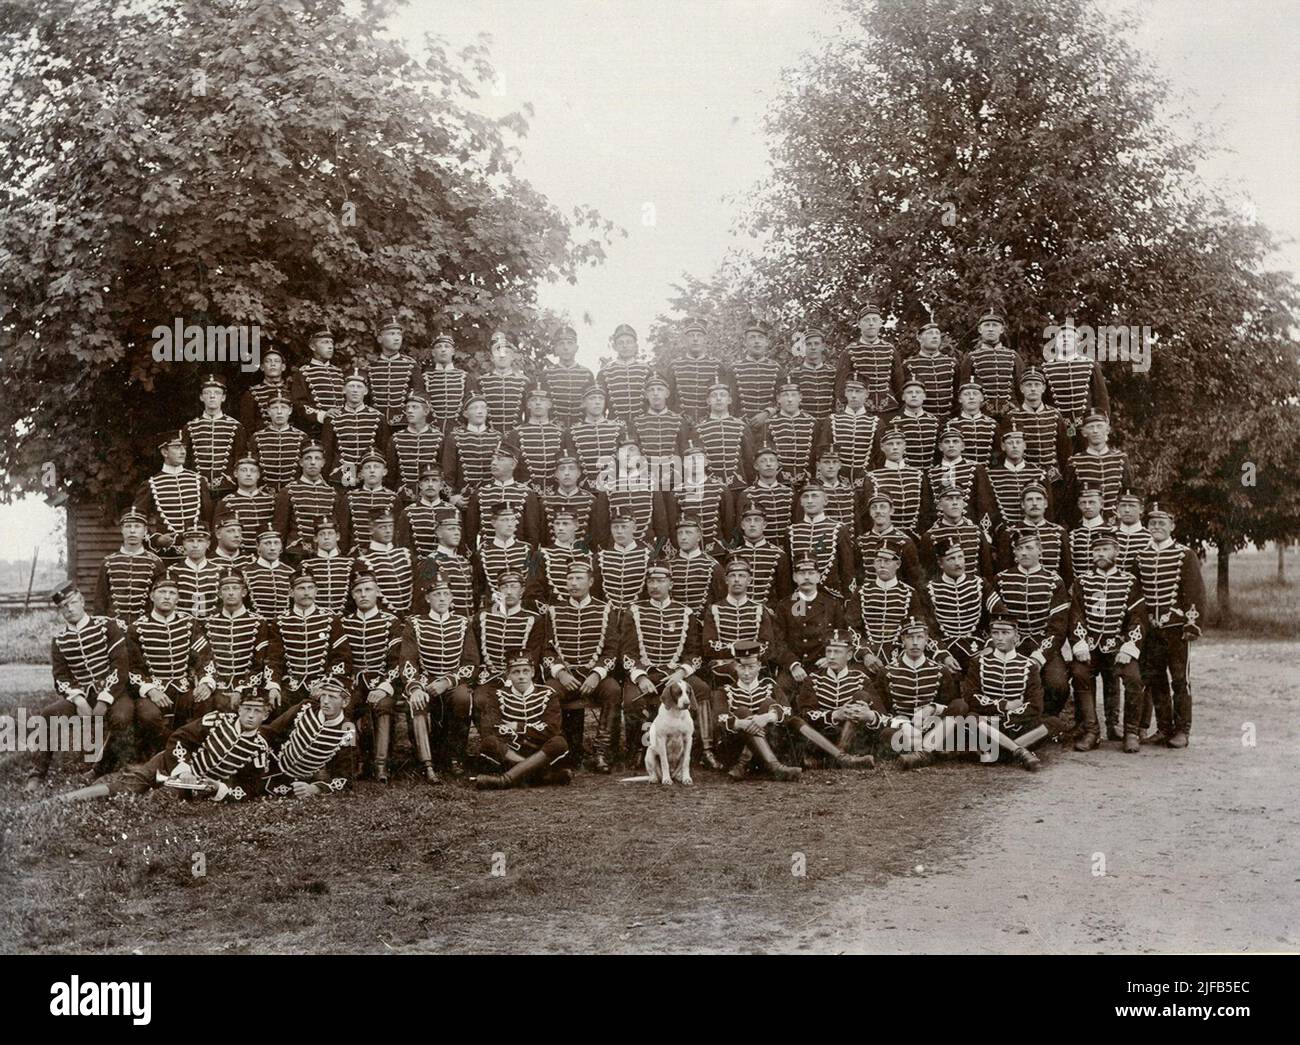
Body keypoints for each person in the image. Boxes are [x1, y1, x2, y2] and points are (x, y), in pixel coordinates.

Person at [52, 693, 274, 803]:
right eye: (246, 708)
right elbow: (180, 738)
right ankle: (64, 800)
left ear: (266, 715)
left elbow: (251, 786)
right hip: (171, 763)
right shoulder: (216, 720)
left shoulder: (259, 749)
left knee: (160, 800)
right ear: (239, 708)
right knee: (130, 783)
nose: (250, 715)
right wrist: (183, 769)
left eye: (257, 711)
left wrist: (220, 789)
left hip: (197, 785)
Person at [24, 586, 132, 792]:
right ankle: (37, 774)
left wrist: (105, 698)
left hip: (114, 692)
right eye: (63, 606)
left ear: (82, 601)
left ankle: (100, 769)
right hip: (83, 695)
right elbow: (61, 676)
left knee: (122, 716)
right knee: (49, 714)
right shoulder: (60, 639)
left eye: (73, 603)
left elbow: (121, 665)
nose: (69, 609)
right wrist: (78, 699)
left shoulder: (106, 626)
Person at [620, 563, 713, 766]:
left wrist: (681, 672)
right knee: (633, 699)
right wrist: (641, 677)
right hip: (646, 672)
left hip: (675, 675)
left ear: (670, 584)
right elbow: (628, 652)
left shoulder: (685, 612)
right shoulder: (634, 612)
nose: (655, 586)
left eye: (660, 581)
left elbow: (694, 653)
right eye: (651, 581)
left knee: (702, 690)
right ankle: (639, 749)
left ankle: (705, 749)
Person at [1069, 532, 1149, 752]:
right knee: (1079, 673)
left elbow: (1138, 618)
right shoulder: (1082, 582)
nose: (1100, 554)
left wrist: (1129, 646)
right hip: (1091, 646)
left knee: (1133, 677)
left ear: (1116, 552)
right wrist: (1080, 643)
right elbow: (1076, 615)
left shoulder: (1129, 582)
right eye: (1096, 550)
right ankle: (1092, 731)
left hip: (1118, 647)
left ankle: (1131, 732)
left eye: (1105, 549)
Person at [1135, 502, 1205, 749]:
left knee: (1179, 680)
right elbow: (1137, 594)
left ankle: (1182, 730)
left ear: (1172, 526)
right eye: (1152, 523)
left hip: (1176, 629)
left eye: (1162, 523)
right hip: (1151, 629)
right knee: (1155, 680)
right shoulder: (1141, 555)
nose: (1157, 527)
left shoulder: (1185, 554)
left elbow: (1195, 592)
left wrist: (1191, 624)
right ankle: (1163, 728)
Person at [541, 561, 621, 773]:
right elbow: (547, 650)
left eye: (579, 579)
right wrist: (560, 673)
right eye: (570, 579)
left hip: (595, 676)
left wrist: (597, 674)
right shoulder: (553, 611)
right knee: (549, 692)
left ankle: (601, 752)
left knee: (613, 690)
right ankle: (562, 752)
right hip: (565, 676)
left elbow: (612, 650)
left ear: (591, 582)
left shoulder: (604, 610)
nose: (573, 583)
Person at [960, 614, 1063, 771]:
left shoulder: (1029, 665)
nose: (999, 638)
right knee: (971, 719)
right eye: (995, 633)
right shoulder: (978, 662)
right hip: (988, 724)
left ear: (1017, 637)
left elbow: (1036, 705)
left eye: (1005, 633)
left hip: (1017, 725)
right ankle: (1018, 751)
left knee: (1054, 723)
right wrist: (1004, 705)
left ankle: (1000, 751)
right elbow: (971, 697)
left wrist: (1010, 719)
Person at [400, 576, 480, 777]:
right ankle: (425, 761)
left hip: (454, 682)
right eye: (437, 595)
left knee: (462, 698)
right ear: (427, 598)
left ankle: (456, 757)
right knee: (417, 701)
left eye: (446, 594)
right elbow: (409, 660)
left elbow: (471, 662)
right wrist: (416, 687)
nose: (442, 599)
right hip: (426, 680)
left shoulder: (462, 623)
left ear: (452, 598)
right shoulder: (415, 623)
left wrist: (447, 681)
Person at [125, 574, 216, 747]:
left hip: (183, 688)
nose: (167, 596)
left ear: (178, 598)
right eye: (162, 592)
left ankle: (189, 749)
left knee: (204, 703)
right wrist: (150, 690)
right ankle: (170, 749)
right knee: (148, 716)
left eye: (172, 593)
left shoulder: (190, 624)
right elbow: (131, 668)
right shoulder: (136, 628)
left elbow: (204, 658)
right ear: (152, 596)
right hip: (153, 691)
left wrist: (205, 682)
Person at [994, 530, 1072, 716]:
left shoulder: (1054, 581)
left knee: (1057, 684)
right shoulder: (1002, 579)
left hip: (1043, 642)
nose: (1024, 553)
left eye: (1029, 548)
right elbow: (995, 619)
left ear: (1040, 551)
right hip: (1012, 643)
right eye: (1019, 549)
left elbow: (1058, 626)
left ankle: (1046, 721)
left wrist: (1041, 655)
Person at [474, 654, 572, 790]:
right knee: (489, 742)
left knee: (559, 742)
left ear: (532, 672)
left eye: (525, 671)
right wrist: (535, 730)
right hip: (511, 752)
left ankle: (505, 780)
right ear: (508, 675)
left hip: (540, 751)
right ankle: (539, 774)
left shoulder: (548, 694)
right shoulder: (497, 696)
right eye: (516, 672)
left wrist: (517, 727)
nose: (521, 676)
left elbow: (552, 729)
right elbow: (490, 729)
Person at [712, 642, 802, 781]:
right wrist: (740, 723)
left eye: (751, 667)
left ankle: (744, 764)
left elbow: (788, 712)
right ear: (735, 666)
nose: (747, 672)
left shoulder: (770, 686)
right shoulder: (724, 691)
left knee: (769, 703)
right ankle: (774, 767)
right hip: (734, 749)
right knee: (742, 711)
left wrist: (767, 717)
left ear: (759, 666)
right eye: (742, 667)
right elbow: (719, 719)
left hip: (771, 744)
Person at [789, 630, 879, 768]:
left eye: (837, 652)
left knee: (862, 697)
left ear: (849, 655)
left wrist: (868, 714)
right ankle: (841, 758)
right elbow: (806, 714)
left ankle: (837, 756)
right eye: (828, 651)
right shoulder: (813, 679)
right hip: (822, 737)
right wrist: (836, 715)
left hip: (853, 738)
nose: (831, 657)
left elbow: (881, 713)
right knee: (796, 721)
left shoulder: (861, 679)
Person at [264, 569, 351, 709]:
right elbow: (274, 658)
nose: (306, 592)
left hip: (322, 685)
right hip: (291, 686)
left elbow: (342, 657)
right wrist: (274, 685)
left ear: (316, 591)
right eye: (301, 588)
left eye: (310, 588)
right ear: (291, 593)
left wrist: (326, 685)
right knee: (275, 704)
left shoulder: (330, 619)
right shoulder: (280, 622)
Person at [262, 678, 359, 798]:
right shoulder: (306, 707)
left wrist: (315, 788)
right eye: (323, 695)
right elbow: (272, 729)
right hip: (275, 763)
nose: (325, 701)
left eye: (332, 697)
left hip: (304, 780)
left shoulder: (349, 730)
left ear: (345, 702)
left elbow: (345, 776)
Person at [772, 557, 846, 699]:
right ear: (794, 577)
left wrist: (830, 658)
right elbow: (778, 642)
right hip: (795, 666)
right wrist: (793, 665)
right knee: (780, 693)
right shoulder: (786, 605)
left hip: (825, 665)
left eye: (811, 573)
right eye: (801, 573)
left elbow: (842, 636)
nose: (806, 577)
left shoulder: (832, 604)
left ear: (818, 576)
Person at [201, 567, 272, 710]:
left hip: (247, 685)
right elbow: (204, 659)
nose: (231, 592)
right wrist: (208, 683)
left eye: (235, 588)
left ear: (244, 592)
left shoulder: (259, 623)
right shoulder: (209, 622)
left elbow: (259, 663)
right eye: (226, 589)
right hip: (217, 685)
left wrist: (242, 689)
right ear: (220, 594)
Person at [133, 430, 212, 558]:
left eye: (184, 447)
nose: (183, 451)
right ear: (164, 452)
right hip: (166, 554)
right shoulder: (151, 484)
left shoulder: (198, 481)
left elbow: (208, 518)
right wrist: (156, 539)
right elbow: (137, 519)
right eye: (177, 447)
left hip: (197, 552)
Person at [273, 442, 350, 558]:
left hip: (327, 554)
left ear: (323, 463)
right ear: (301, 462)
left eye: (317, 458)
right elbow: (280, 528)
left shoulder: (333, 493)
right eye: (308, 458)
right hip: (296, 553)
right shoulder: (287, 492)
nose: (313, 462)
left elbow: (340, 528)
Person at [94, 507, 165, 627]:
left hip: (146, 627)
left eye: (137, 526)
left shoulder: (156, 563)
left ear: (145, 530)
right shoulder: (108, 563)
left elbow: (161, 600)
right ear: (121, 529)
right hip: (114, 628)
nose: (132, 531)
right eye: (128, 526)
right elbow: (100, 601)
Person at [787, 483, 856, 600]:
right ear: (801, 502)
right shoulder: (792, 531)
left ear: (825, 501)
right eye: (805, 497)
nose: (809, 501)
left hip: (831, 597)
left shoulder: (838, 529)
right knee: (800, 616)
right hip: (799, 598)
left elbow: (847, 569)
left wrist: (848, 599)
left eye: (814, 496)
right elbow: (788, 572)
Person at [183, 374, 247, 497]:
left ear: (223, 398)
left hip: (227, 487)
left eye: (217, 393)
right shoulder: (190, 427)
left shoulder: (236, 427)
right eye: (207, 393)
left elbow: (240, 458)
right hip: (197, 487)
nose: (212, 396)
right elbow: (185, 460)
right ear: (201, 397)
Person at [835, 303, 903, 415]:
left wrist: (901, 409)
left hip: (889, 409)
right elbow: (841, 386)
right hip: (861, 411)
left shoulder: (890, 349)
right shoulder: (849, 351)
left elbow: (899, 384)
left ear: (881, 323)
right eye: (866, 320)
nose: (871, 323)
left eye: (875, 320)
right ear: (859, 324)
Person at [503, 385, 572, 493]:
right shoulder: (515, 434)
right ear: (528, 405)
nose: (538, 403)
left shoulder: (562, 433)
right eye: (534, 400)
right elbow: (508, 467)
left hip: (556, 492)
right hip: (525, 492)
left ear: (549, 405)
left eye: (542, 400)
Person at [322, 370, 386, 487]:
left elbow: (382, 448)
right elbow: (327, 451)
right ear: (344, 390)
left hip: (369, 469)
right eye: (351, 386)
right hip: (345, 468)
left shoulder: (377, 417)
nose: (355, 390)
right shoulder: (333, 417)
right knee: (347, 498)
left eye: (359, 387)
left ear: (366, 391)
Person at [1064, 412, 1131, 522]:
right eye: (1090, 427)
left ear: (1107, 430)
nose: (1095, 431)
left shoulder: (1121, 459)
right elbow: (1069, 500)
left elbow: (1127, 495)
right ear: (1084, 432)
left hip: (1115, 524)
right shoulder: (1075, 462)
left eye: (1099, 426)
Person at [814, 376, 880, 486]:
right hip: (837, 482)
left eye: (858, 391)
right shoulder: (832, 420)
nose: (853, 395)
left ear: (867, 394)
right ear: (845, 393)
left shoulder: (876, 422)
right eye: (850, 391)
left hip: (866, 482)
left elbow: (880, 458)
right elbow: (822, 455)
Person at [664, 317, 732, 422]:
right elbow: (668, 399)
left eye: (699, 335)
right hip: (680, 422)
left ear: (705, 339)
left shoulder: (717, 365)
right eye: (691, 336)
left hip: (710, 423)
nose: (695, 339)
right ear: (685, 340)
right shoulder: (675, 366)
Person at [352, 506, 415, 615]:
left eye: (391, 526)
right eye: (383, 527)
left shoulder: (405, 555)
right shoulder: (363, 562)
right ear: (371, 529)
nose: (388, 531)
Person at [957, 310, 1022, 415]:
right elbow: (964, 389)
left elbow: (1021, 387)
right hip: (982, 413)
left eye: (995, 325)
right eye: (987, 325)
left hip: (1011, 412)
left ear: (1001, 330)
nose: (991, 329)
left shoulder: (1013, 356)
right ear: (980, 329)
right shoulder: (971, 358)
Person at [363, 314, 421, 430]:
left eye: (399, 334)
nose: (397, 338)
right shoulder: (371, 366)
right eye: (391, 334)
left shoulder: (411, 365)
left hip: (404, 423)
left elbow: (419, 393)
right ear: (380, 339)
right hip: (375, 423)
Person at [727, 505, 792, 603]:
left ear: (764, 525)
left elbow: (784, 593)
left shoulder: (778, 555)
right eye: (748, 520)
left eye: (757, 520)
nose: (752, 524)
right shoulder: (733, 555)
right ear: (742, 525)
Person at [290, 324, 345, 437]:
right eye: (324, 342)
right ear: (313, 347)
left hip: (340, 429)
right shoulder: (303, 373)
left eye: (331, 343)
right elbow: (299, 404)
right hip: (315, 430)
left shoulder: (338, 373)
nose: (330, 346)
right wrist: (323, 415)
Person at [385, 392, 444, 499]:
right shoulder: (395, 439)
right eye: (407, 407)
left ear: (426, 411)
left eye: (414, 407)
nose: (409, 411)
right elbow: (390, 476)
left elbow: (445, 472)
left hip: (431, 495)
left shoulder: (439, 438)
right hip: (403, 496)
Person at [664, 515, 725, 615]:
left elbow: (721, 599)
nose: (683, 537)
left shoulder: (712, 566)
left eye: (688, 533)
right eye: (680, 533)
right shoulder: (668, 565)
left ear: (699, 536)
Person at [594, 509, 653, 610]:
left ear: (634, 528)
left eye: (624, 527)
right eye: (615, 527)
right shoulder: (601, 558)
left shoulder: (648, 556)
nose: (619, 531)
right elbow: (596, 592)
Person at [597, 323, 654, 426]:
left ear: (636, 346)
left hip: (643, 425)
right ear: (614, 346)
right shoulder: (605, 372)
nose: (625, 346)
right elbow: (600, 405)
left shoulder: (646, 370)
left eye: (629, 342)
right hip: (614, 426)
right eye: (620, 343)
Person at [249, 390, 307, 490]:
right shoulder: (257, 437)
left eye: (283, 408)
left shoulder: (302, 437)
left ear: (290, 410)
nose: (279, 412)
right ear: (268, 411)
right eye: (275, 408)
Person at [539, 324, 595, 428]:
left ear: (576, 348)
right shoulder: (546, 374)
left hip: (581, 428)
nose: (566, 348)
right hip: (553, 428)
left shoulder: (587, 374)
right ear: (555, 349)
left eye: (570, 343)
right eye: (561, 344)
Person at [730, 319, 783, 428]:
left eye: (760, 337)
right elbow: (730, 402)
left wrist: (768, 413)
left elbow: (784, 399)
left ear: (766, 342)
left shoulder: (776, 368)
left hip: (770, 425)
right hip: (741, 425)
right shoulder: (734, 369)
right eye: (752, 337)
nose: (757, 341)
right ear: (745, 343)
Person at [903, 321, 960, 417]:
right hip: (921, 420)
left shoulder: (952, 363)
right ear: (919, 338)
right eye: (929, 333)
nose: (935, 336)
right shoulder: (909, 365)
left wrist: (954, 414)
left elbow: (958, 392)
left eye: (937, 333)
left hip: (949, 417)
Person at [421, 333, 477, 432]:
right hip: (430, 432)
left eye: (447, 346)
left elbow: (472, 405)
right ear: (433, 352)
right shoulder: (425, 378)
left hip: (459, 431)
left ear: (453, 352)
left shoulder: (465, 377)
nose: (443, 350)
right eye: (439, 347)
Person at [765, 381, 818, 482]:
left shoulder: (812, 422)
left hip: (807, 481)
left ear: (800, 398)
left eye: (793, 395)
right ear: (778, 399)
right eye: (785, 395)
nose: (789, 399)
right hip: (779, 481)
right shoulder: (769, 424)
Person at [477, 332, 531, 432]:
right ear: (492, 358)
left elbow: (529, 413)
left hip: (515, 435)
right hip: (489, 435)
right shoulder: (481, 381)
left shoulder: (524, 381)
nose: (502, 356)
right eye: (498, 353)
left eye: (506, 352)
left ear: (512, 357)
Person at [167, 525, 221, 618]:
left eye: (200, 541)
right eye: (190, 541)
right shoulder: (172, 572)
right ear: (184, 544)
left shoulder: (218, 571)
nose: (195, 545)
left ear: (208, 544)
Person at [786, 326, 837, 420]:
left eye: (816, 344)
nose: (813, 347)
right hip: (803, 426)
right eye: (808, 344)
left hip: (828, 425)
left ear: (823, 346)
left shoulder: (832, 372)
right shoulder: (795, 373)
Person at [242, 527, 295, 619]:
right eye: (267, 543)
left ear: (281, 547)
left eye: (276, 543)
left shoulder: (290, 572)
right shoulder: (246, 572)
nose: (272, 548)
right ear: (258, 546)